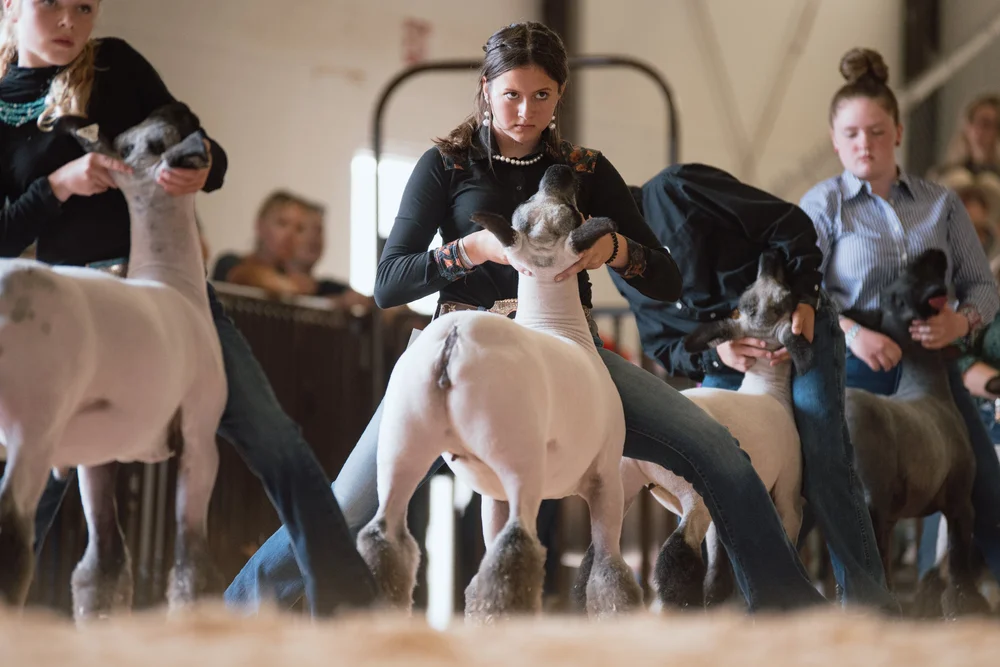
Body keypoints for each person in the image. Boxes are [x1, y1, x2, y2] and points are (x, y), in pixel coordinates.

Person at [225, 20, 827, 614]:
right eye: (511, 93)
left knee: (715, 450)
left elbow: (665, 277)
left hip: (569, 352)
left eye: (541, 95)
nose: (524, 110)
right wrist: (474, 249)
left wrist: (613, 250)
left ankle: (787, 605)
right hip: (457, 351)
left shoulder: (587, 169)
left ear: (560, 95)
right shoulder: (447, 165)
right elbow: (388, 283)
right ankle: (236, 612)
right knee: (350, 501)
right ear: (485, 88)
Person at [0, 0, 374, 616]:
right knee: (34, 470)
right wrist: (58, 186)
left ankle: (354, 612)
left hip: (173, 300)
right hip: (73, 316)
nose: (70, 22)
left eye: (85, 7)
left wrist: (198, 170)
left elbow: (202, 147)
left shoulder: (116, 66)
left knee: (274, 439)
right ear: (12, 5)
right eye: (52, 5)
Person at [616, 164, 897, 611]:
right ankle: (743, 604)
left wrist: (803, 295)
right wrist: (717, 355)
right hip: (728, 353)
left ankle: (869, 607)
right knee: (716, 463)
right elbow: (663, 343)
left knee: (822, 459)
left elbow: (787, 223)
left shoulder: (678, 188)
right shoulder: (617, 266)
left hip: (794, 323)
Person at [798, 47, 1000, 585]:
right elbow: (800, 288)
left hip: (932, 365)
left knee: (986, 486)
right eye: (853, 133)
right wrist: (852, 332)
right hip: (852, 365)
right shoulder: (822, 206)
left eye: (878, 131)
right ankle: (826, 603)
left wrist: (961, 322)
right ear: (835, 139)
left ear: (899, 133)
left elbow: (981, 284)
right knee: (838, 492)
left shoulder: (942, 203)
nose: (866, 144)